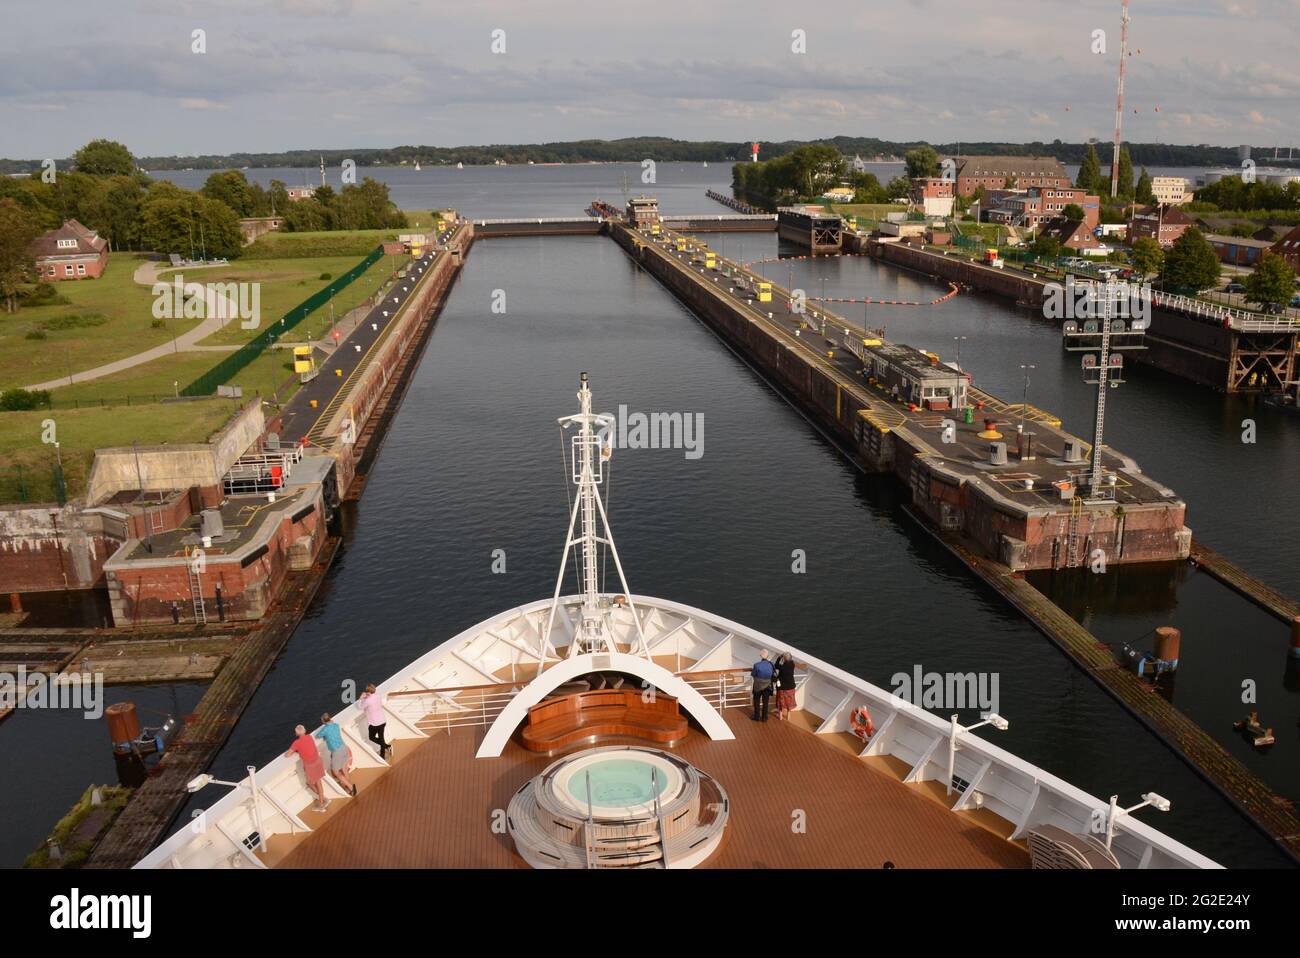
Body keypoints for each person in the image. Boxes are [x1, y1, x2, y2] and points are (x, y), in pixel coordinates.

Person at [284, 724, 328, 813]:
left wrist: (289, 752)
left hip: (310, 765)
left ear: (296, 733)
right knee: (318, 782)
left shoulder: (296, 743)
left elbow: (288, 755)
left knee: (310, 783)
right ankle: (322, 799)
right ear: (304, 731)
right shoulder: (310, 737)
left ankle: (322, 803)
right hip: (317, 761)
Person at [316, 712, 356, 796]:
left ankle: (351, 787)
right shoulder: (336, 725)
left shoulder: (325, 729)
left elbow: (318, 736)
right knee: (344, 769)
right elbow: (332, 725)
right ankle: (348, 787)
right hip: (344, 748)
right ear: (330, 718)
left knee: (336, 771)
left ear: (323, 721)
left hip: (337, 752)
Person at [360, 684, 390, 759]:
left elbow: (360, 707)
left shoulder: (367, 701)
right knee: (381, 738)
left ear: (368, 691)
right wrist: (367, 697)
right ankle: (384, 751)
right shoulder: (378, 696)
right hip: (382, 720)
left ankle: (385, 750)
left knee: (371, 737)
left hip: (375, 723)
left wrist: (361, 698)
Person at [751, 650, 775, 722]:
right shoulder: (771, 664)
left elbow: (753, 674)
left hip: (757, 686)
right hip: (767, 686)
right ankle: (764, 718)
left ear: (761, 656)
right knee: (765, 702)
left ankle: (757, 717)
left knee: (756, 701)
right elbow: (772, 674)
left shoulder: (756, 665)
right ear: (767, 656)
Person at [774, 652, 798, 721]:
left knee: (780, 701)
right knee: (789, 701)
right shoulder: (792, 665)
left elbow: (776, 665)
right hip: (791, 686)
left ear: (784, 659)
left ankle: (780, 716)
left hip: (782, 687)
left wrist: (779, 657)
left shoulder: (782, 667)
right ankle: (788, 716)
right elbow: (790, 660)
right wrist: (785, 657)